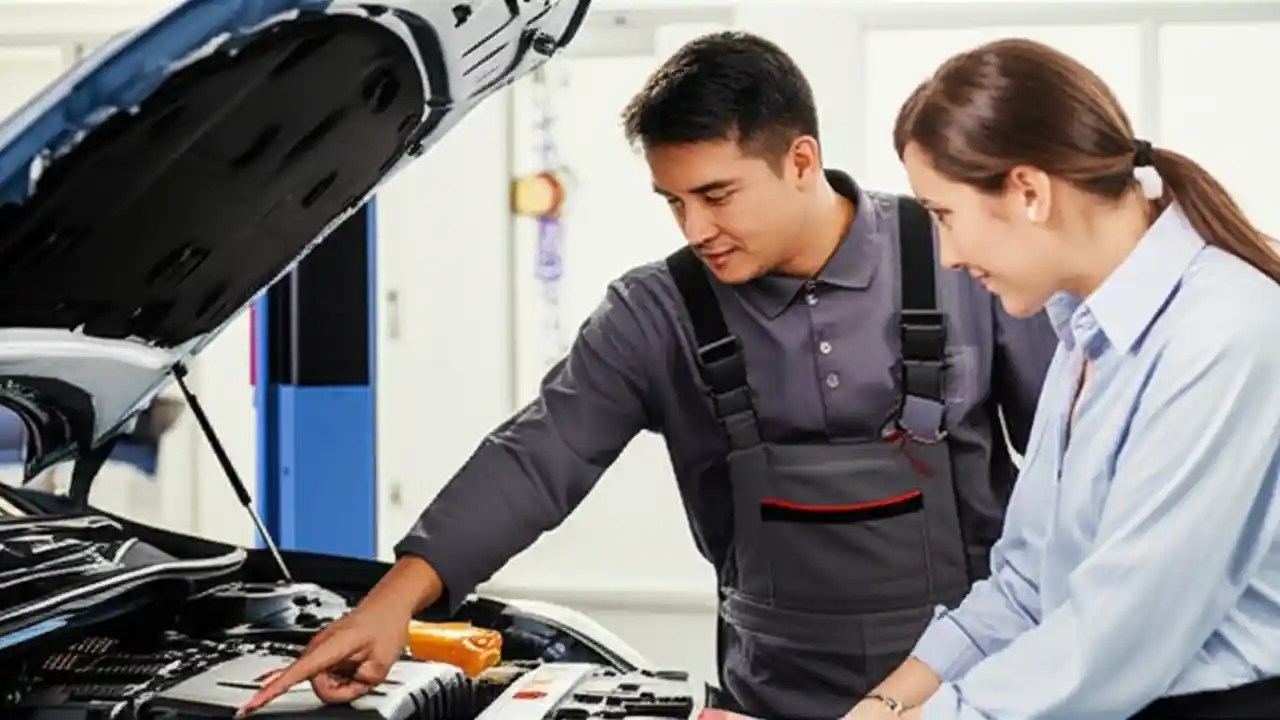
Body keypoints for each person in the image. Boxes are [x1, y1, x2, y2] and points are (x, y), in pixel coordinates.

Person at [238, 32, 1057, 720]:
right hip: (768, 702)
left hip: (973, 694)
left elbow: (1078, 471)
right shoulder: (658, 312)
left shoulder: (962, 261)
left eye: (717, 194)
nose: (695, 228)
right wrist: (392, 602)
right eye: (673, 202)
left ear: (801, 160)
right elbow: (537, 457)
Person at [845, 38, 1280, 720]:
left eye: (944, 216)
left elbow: (1115, 640)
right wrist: (884, 707)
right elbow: (1025, 587)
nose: (949, 256)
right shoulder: (1086, 332)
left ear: (1028, 192)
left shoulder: (1224, 334)